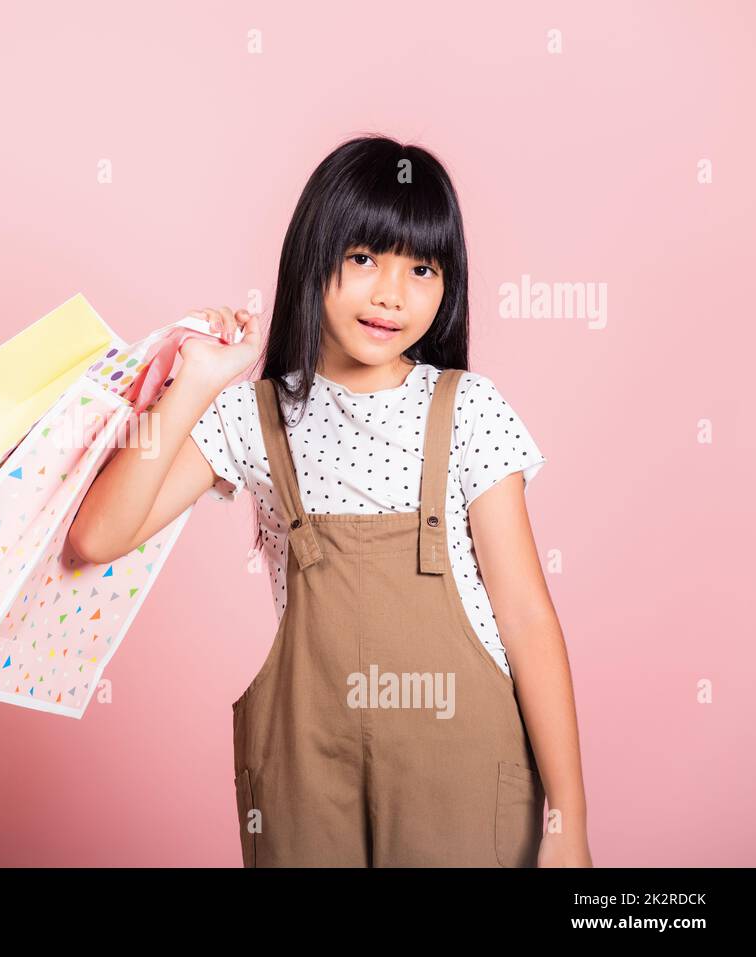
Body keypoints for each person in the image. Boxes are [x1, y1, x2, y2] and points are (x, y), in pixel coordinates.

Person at [66, 135, 592, 867]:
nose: (391, 293)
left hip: (465, 778)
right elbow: (96, 537)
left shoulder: (468, 409)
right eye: (364, 258)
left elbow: (528, 618)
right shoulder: (250, 417)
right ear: (313, 257)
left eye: (422, 267)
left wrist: (568, 821)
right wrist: (196, 381)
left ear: (449, 286)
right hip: (309, 783)